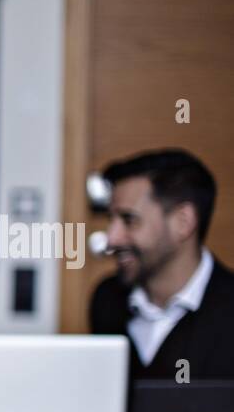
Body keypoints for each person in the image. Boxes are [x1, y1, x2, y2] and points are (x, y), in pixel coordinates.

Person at [89, 148, 233, 380]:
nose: (112, 238)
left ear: (183, 222)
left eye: (129, 220)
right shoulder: (107, 300)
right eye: (111, 220)